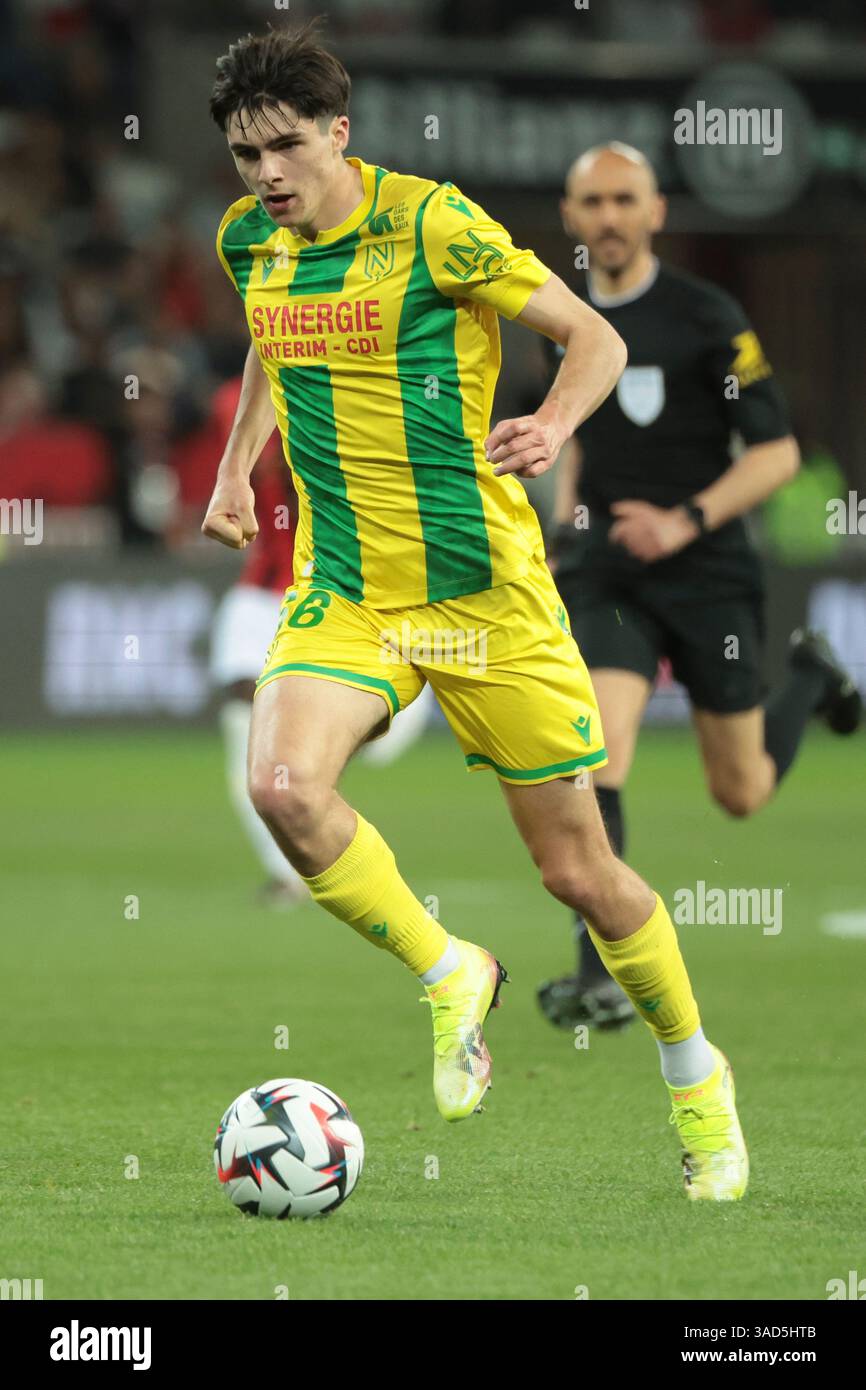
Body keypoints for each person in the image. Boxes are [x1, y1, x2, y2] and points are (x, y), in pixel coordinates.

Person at [202, 23, 749, 1200]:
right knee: (282, 789)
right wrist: (239, 466)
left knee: (580, 875)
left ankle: (697, 1078)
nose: (265, 176)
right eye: (246, 153)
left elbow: (591, 338)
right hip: (345, 589)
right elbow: (265, 344)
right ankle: (450, 966)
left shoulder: (433, 224)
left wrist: (550, 424)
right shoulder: (250, 239)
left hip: (480, 597)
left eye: (286, 148)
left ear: (338, 133)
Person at [537, 143, 861, 1032]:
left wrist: (681, 522)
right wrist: (566, 525)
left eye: (624, 199)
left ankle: (812, 678)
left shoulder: (707, 317)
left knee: (742, 791)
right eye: (591, 200)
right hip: (607, 573)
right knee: (598, 752)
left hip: (707, 570)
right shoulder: (557, 317)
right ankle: (598, 977)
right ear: (570, 216)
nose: (607, 216)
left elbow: (776, 454)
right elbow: (572, 438)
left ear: (655, 214)